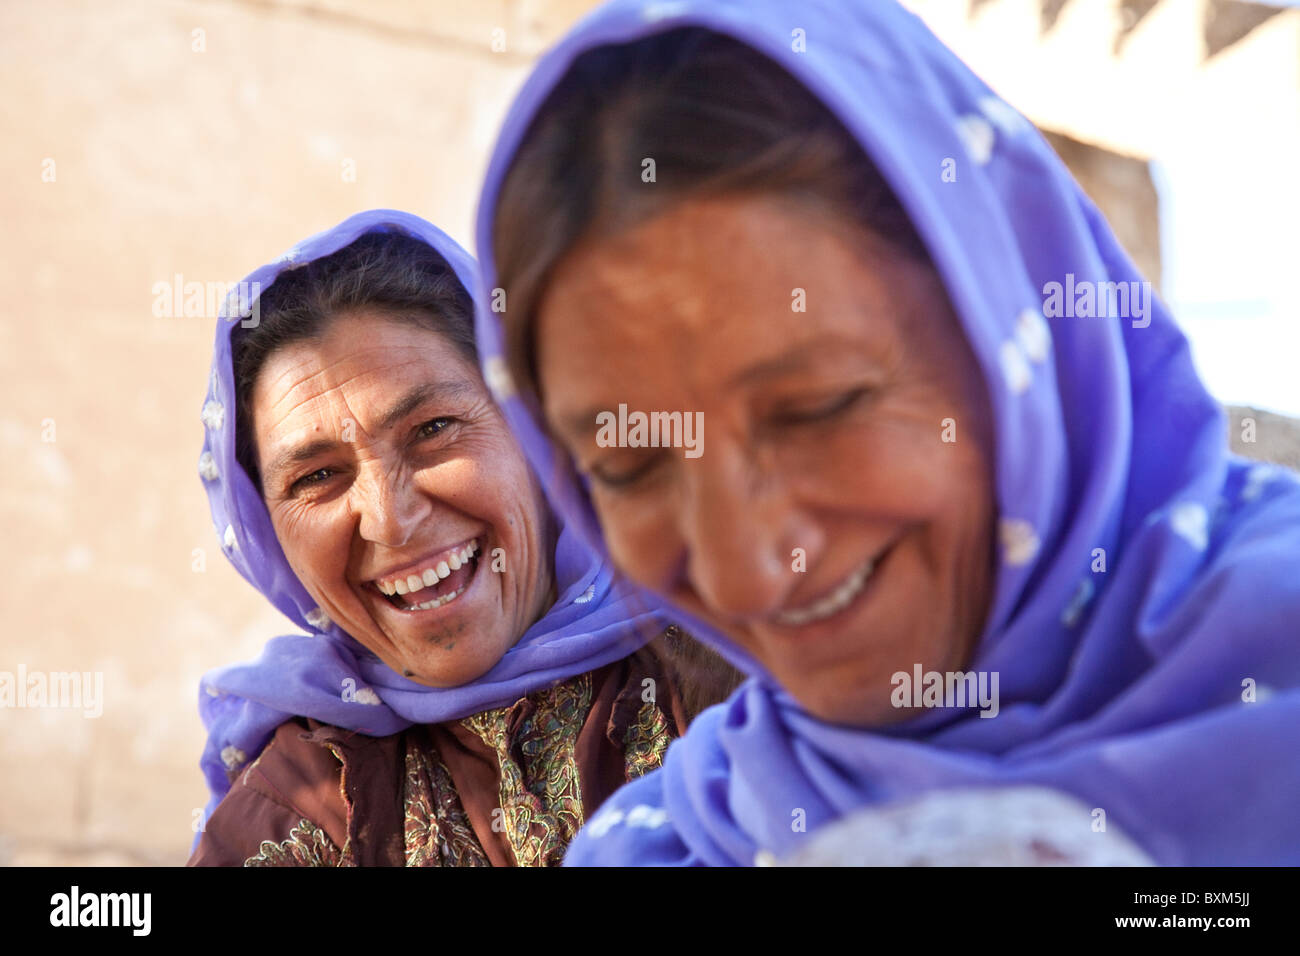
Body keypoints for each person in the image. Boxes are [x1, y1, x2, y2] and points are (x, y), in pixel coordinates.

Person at [473, 0, 1300, 865]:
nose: (744, 570)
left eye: (819, 408)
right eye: (626, 467)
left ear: (1013, 330)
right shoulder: (681, 843)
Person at [188, 209, 741, 867]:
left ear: (536, 432)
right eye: (319, 476)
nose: (390, 519)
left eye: (433, 429)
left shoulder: (737, 661)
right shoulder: (299, 801)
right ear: (268, 536)